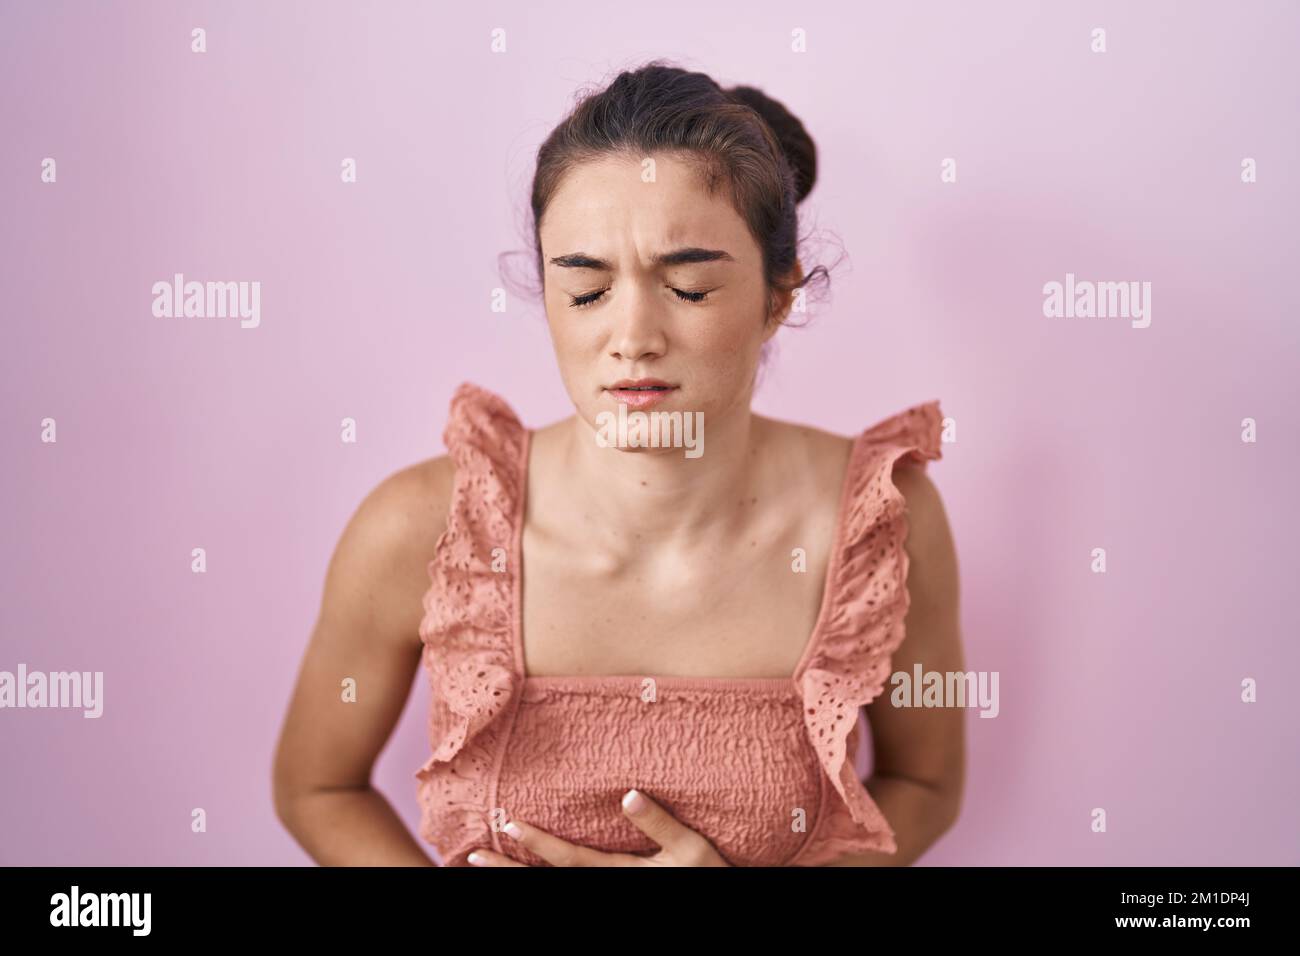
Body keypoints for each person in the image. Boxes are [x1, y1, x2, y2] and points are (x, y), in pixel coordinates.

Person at [273, 60, 965, 867]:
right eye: (587, 290)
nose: (632, 336)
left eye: (692, 289)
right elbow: (316, 787)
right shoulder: (420, 529)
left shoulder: (883, 523)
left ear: (779, 296)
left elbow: (926, 783)